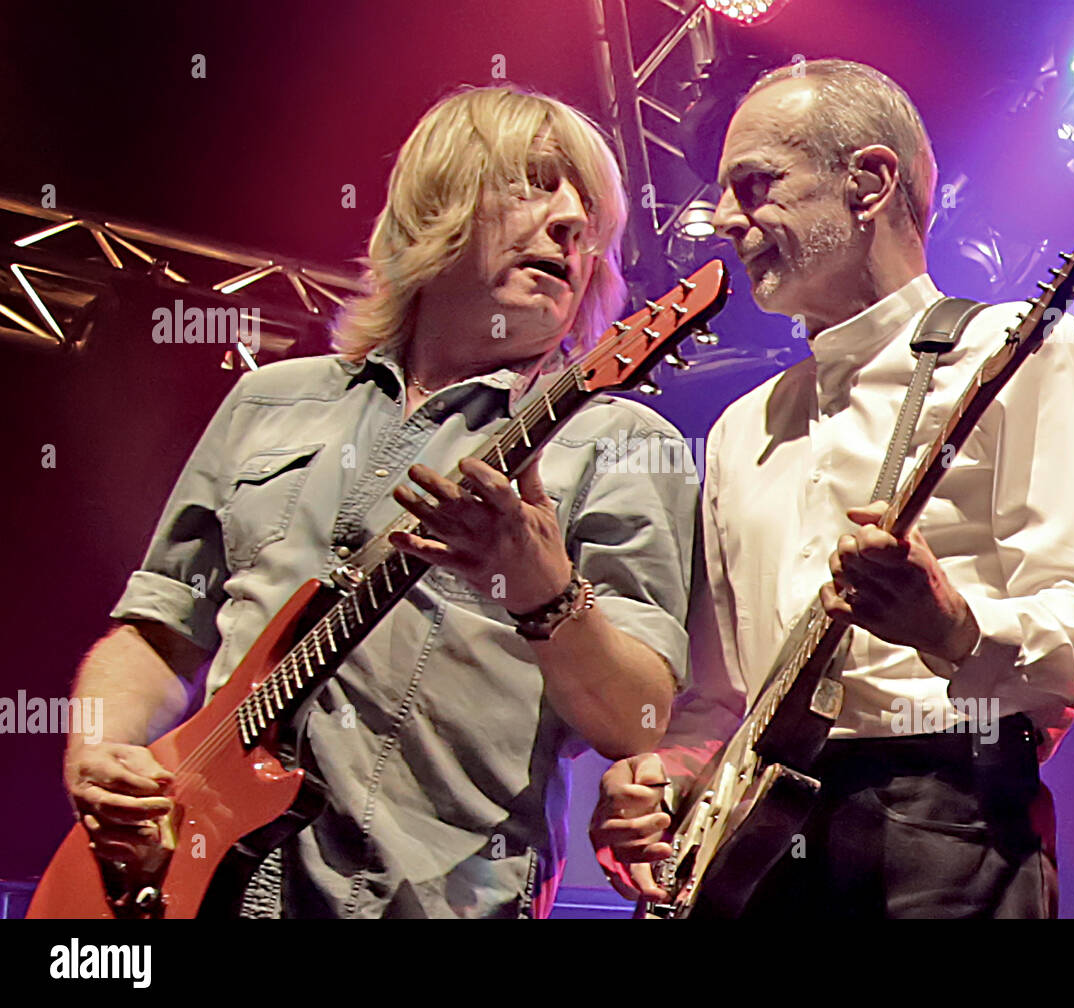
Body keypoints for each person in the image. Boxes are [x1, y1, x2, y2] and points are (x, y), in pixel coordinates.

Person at [62, 85, 696, 918]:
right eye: (536, 185)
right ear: (436, 205)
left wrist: (543, 592)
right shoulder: (269, 400)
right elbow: (157, 629)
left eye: (593, 217)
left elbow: (636, 719)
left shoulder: (621, 440)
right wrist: (99, 748)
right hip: (193, 887)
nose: (572, 221)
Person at [591, 59, 1074, 918]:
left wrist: (954, 627)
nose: (724, 218)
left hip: (949, 817)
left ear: (870, 182)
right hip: (759, 842)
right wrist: (668, 780)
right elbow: (723, 698)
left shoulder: (1020, 349)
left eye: (756, 184)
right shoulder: (739, 427)